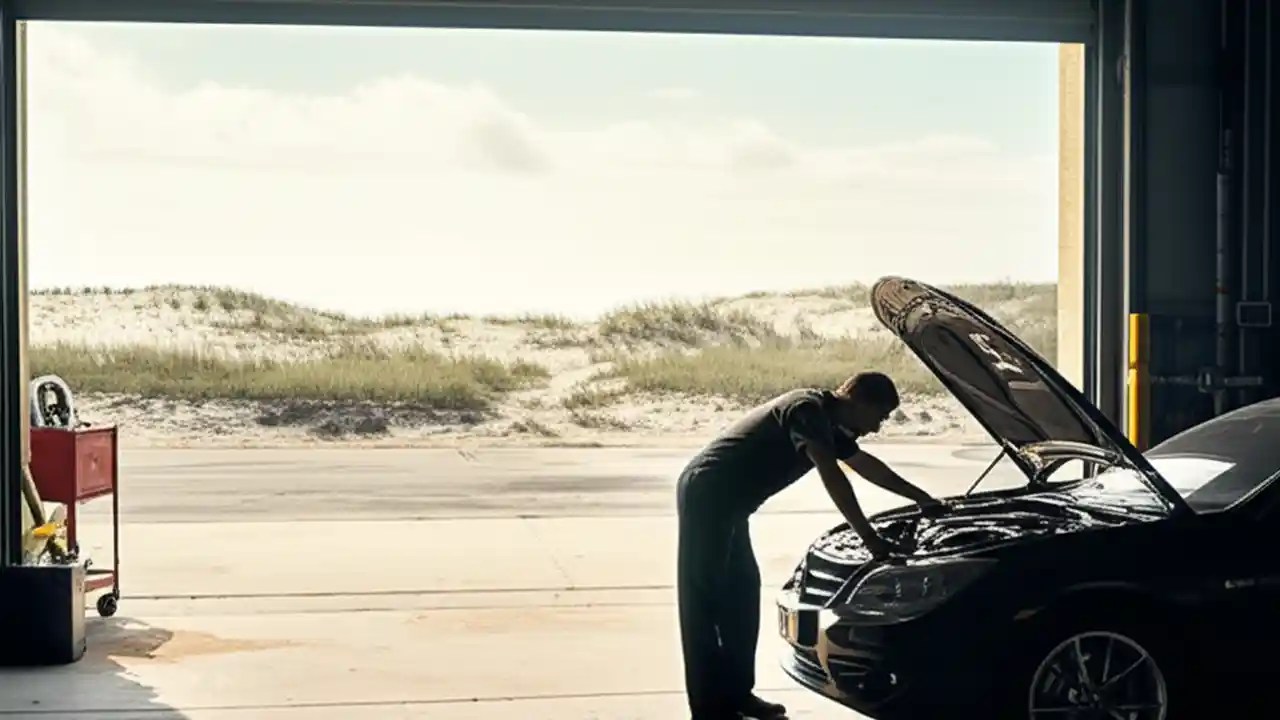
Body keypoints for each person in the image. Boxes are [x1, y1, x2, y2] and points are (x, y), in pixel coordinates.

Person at [675, 372, 940, 719]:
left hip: (733, 505)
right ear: (857, 400)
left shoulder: (831, 423)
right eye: (879, 417)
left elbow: (866, 466)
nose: (876, 428)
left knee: (741, 595)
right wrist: (871, 540)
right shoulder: (807, 410)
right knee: (706, 605)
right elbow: (832, 475)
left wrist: (923, 500)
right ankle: (710, 710)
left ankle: (738, 694)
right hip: (707, 493)